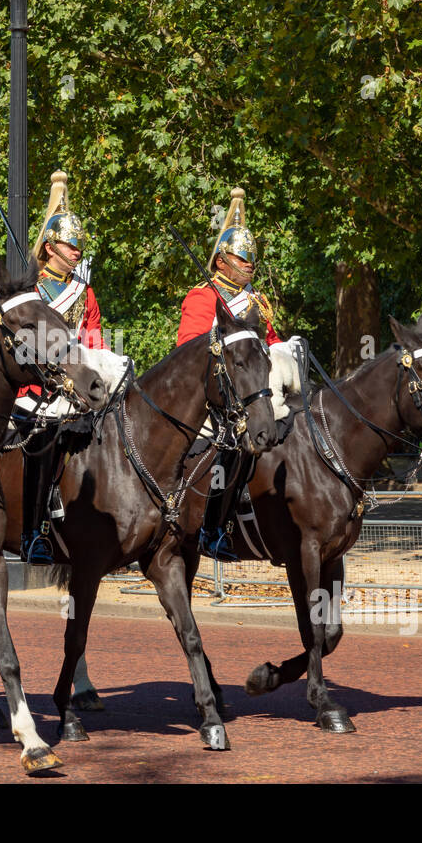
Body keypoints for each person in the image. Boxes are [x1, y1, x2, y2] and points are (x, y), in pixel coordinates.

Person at [175, 187, 286, 562]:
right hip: (215, 398)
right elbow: (190, 350)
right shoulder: (203, 298)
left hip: (254, 392)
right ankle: (213, 528)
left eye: (253, 257)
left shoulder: (257, 302)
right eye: (242, 257)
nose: (250, 263)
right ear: (221, 261)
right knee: (232, 441)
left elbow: (270, 344)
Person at [18, 170, 110, 565]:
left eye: (79, 246)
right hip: (34, 388)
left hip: (75, 386)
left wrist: (98, 374)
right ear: (51, 246)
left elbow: (93, 340)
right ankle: (32, 533)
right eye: (71, 245)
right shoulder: (30, 287)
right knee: (41, 440)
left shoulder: (83, 292)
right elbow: (21, 343)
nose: (77, 252)